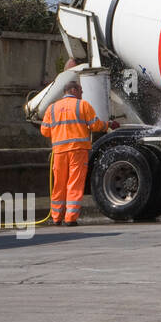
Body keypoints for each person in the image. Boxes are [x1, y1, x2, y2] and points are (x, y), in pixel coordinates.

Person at [39, 80, 115, 225]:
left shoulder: (52, 108)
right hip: (78, 150)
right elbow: (95, 125)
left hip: (59, 152)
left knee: (59, 184)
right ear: (73, 90)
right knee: (74, 183)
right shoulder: (82, 105)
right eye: (80, 91)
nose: (82, 94)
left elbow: (45, 131)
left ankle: (56, 217)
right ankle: (70, 218)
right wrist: (108, 125)